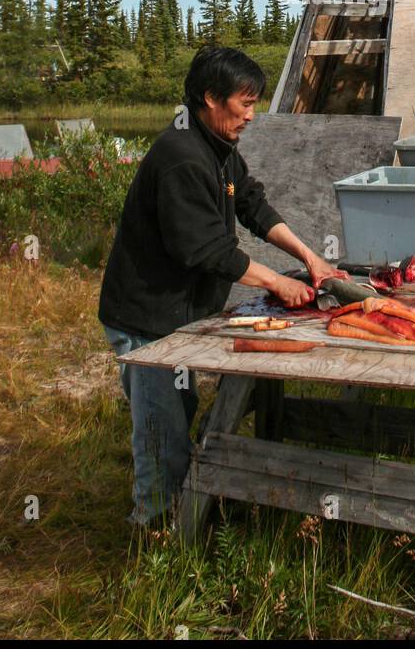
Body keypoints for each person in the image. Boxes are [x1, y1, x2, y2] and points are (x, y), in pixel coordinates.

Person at [99, 46, 345, 530]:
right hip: (145, 319)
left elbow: (252, 204)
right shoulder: (181, 158)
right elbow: (206, 251)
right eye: (245, 103)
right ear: (211, 98)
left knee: (179, 412)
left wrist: (308, 257)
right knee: (160, 432)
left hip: (181, 315)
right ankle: (152, 529)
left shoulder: (216, 146)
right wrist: (277, 283)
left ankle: (183, 509)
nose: (251, 116)